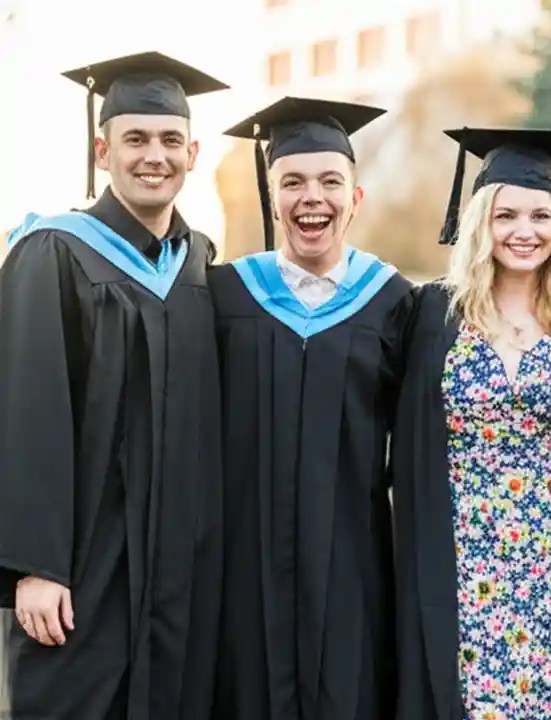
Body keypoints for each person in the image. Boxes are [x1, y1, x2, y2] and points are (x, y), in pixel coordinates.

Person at [0, 51, 227, 719]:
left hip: (179, 573)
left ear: (193, 152)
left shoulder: (200, 262)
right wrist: (34, 569)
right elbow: (25, 414)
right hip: (84, 572)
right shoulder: (53, 253)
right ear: (103, 151)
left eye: (168, 141)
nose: (153, 156)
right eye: (134, 139)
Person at [210, 96, 412, 720]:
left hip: (353, 563)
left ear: (355, 199)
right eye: (292, 182)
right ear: (270, 197)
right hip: (244, 566)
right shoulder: (224, 298)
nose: (311, 198)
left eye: (330, 181)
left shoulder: (395, 304)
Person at [391, 128, 551, 720]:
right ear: (483, 223)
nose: (524, 231)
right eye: (506, 215)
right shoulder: (434, 313)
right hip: (461, 552)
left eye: (540, 216)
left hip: (549, 558)